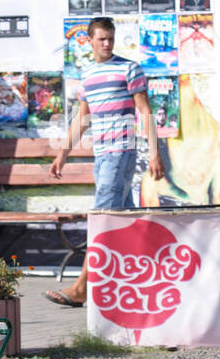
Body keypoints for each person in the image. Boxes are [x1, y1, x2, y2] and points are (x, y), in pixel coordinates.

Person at [46, 16, 163, 307]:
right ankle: (155, 275)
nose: (107, 44)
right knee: (127, 219)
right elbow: (82, 118)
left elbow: (145, 112)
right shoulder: (87, 75)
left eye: (110, 38)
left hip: (121, 152)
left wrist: (155, 153)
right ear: (90, 41)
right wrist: (63, 153)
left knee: (101, 218)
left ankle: (82, 287)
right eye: (102, 39)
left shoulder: (129, 68)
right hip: (102, 155)